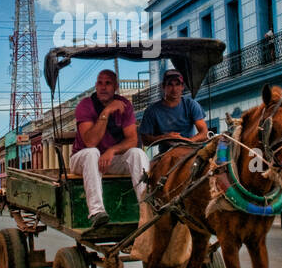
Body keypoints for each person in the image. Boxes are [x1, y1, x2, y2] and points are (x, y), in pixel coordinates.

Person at [70, 69, 149, 229]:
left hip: (109, 160)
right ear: (96, 86)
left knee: (138, 153)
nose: (103, 87)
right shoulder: (85, 105)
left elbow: (133, 139)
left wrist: (112, 150)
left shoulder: (125, 105)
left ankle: (146, 206)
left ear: (116, 87)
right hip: (82, 160)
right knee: (93, 153)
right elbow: (91, 142)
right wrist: (106, 112)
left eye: (108, 83)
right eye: (100, 83)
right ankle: (96, 211)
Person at [139, 69, 209, 155]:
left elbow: (204, 133)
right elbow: (145, 140)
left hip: (190, 151)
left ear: (182, 87)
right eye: (170, 85)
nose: (174, 89)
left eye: (177, 84)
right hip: (165, 154)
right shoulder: (152, 111)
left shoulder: (191, 104)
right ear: (163, 87)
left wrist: (188, 141)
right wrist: (165, 138)